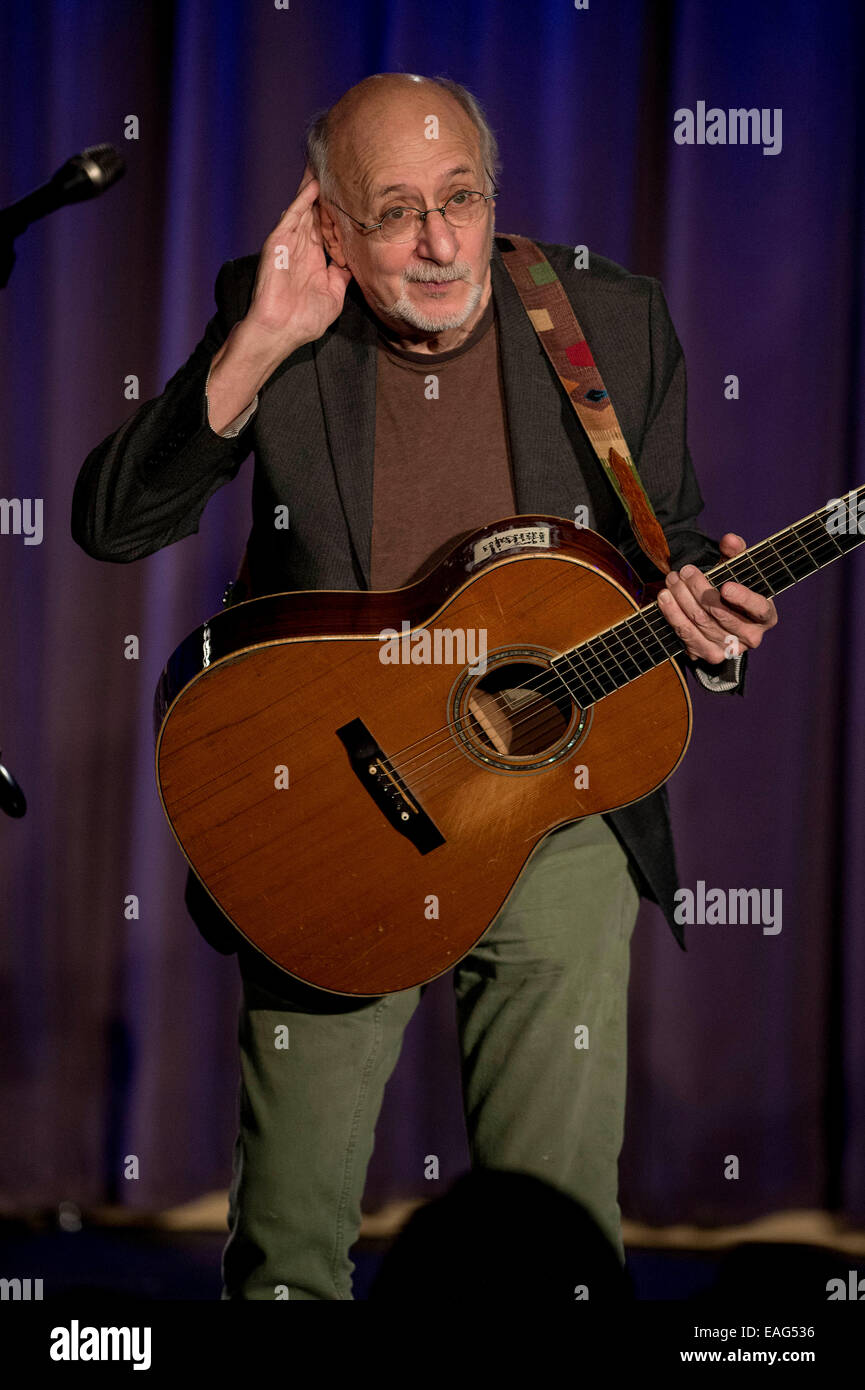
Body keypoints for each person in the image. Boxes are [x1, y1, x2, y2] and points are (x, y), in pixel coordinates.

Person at [72, 72, 778, 1300]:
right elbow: (114, 524)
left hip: (554, 800)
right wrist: (258, 345)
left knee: (557, 1244)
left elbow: (671, 555)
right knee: (289, 1247)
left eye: (462, 199)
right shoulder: (282, 307)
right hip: (338, 808)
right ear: (328, 223)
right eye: (395, 211)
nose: (441, 242)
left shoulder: (608, 316)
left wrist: (707, 627)